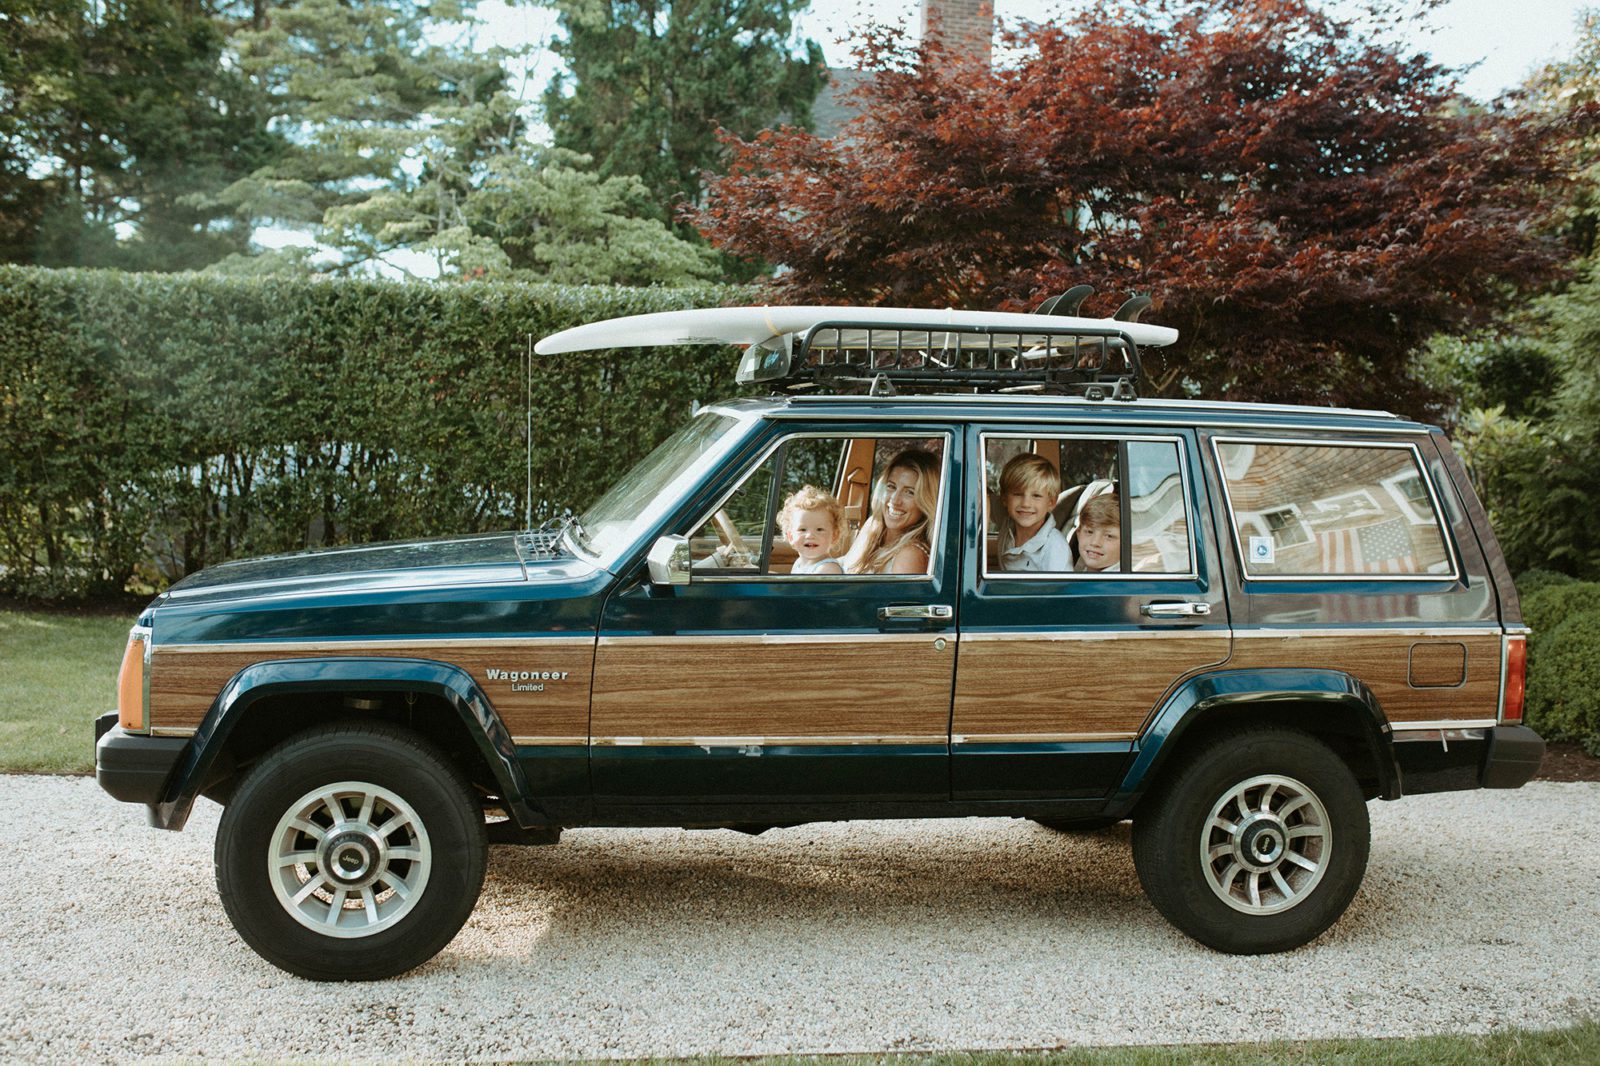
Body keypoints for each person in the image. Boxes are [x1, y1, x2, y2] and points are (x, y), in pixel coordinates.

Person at [842, 448, 940, 575]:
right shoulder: (872, 526)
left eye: (910, 492)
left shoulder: (910, 555)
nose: (894, 500)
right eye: (891, 486)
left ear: (926, 502)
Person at [995, 454, 1072, 572]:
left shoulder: (1055, 547)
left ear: (1051, 502)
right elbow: (982, 500)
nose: (1026, 503)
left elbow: (1060, 589)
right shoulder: (1007, 523)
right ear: (1004, 499)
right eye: (1018, 494)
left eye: (1036, 496)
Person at [780, 485, 845, 575]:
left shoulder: (828, 569)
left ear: (834, 536)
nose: (810, 535)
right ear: (791, 537)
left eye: (819, 529)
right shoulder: (799, 564)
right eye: (802, 529)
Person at [1073, 492, 1122, 572]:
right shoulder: (1080, 566)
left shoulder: (1115, 582)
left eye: (1109, 536)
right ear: (1078, 533)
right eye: (1089, 532)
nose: (1095, 542)